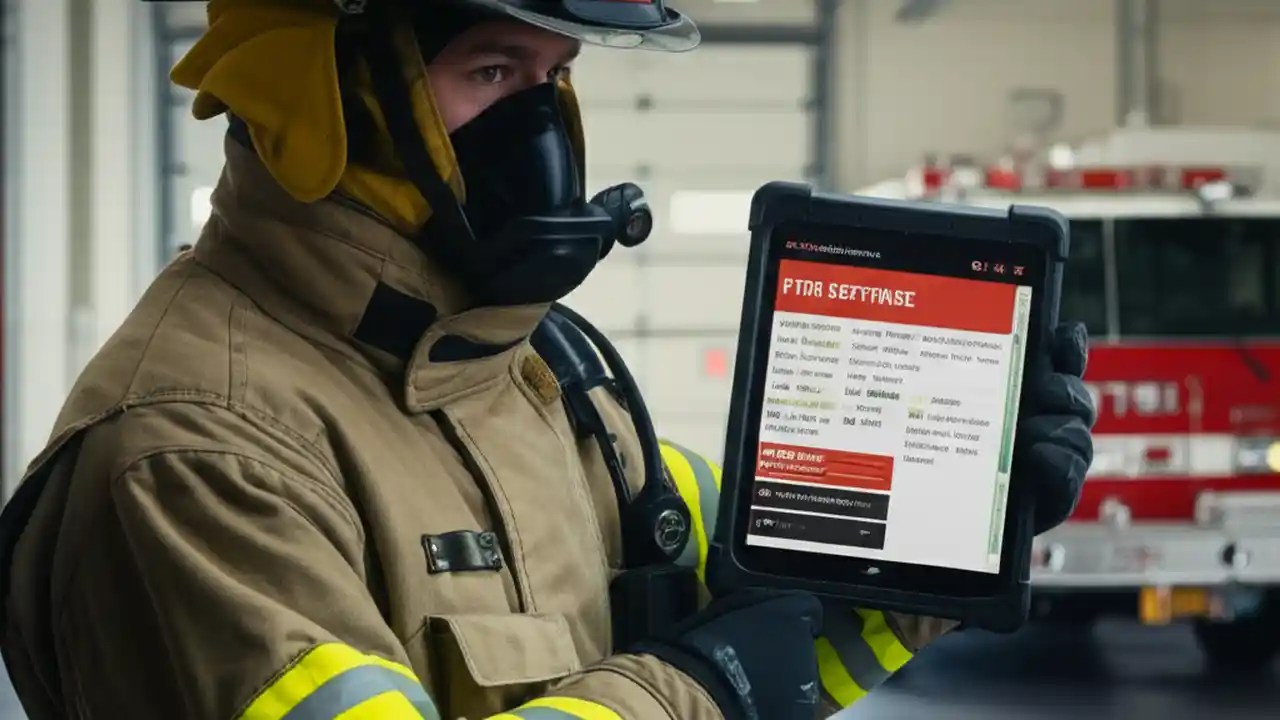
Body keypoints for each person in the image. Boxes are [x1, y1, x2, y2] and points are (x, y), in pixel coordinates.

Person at [0, 1, 1095, 719]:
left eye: (550, 77)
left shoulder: (538, 381)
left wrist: (946, 529)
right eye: (490, 70)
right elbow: (716, 677)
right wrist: (685, 693)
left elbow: (773, 622)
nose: (541, 134)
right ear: (315, 99)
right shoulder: (195, 454)